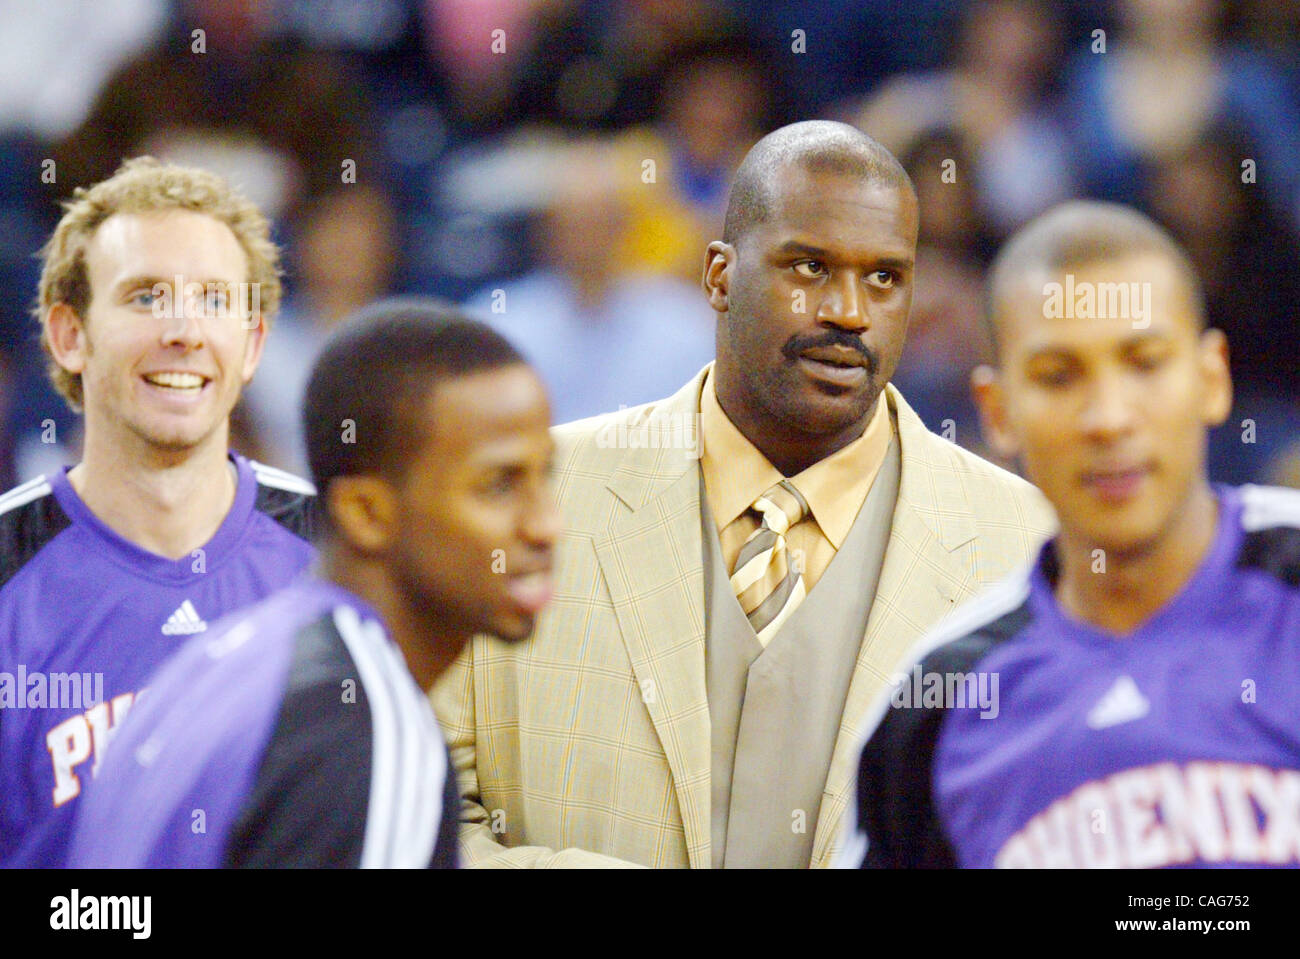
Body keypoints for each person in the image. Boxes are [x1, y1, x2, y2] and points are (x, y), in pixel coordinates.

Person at [433, 120, 1056, 868]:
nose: (849, 311)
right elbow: (415, 821)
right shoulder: (528, 499)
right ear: (719, 277)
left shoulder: (1024, 541)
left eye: (885, 277)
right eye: (810, 267)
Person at [836, 201, 1300, 869]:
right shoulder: (936, 707)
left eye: (1144, 361)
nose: (1109, 418)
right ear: (998, 412)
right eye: (1059, 376)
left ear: (1211, 377)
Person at [69, 299, 561, 867]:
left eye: (544, 474)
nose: (546, 524)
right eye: (499, 485)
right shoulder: (372, 738)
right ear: (366, 513)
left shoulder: (225, 656)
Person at [0, 157, 317, 867]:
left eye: (212, 299)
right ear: (68, 335)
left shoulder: (345, 558)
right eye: (145, 297)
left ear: (254, 343)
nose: (183, 330)